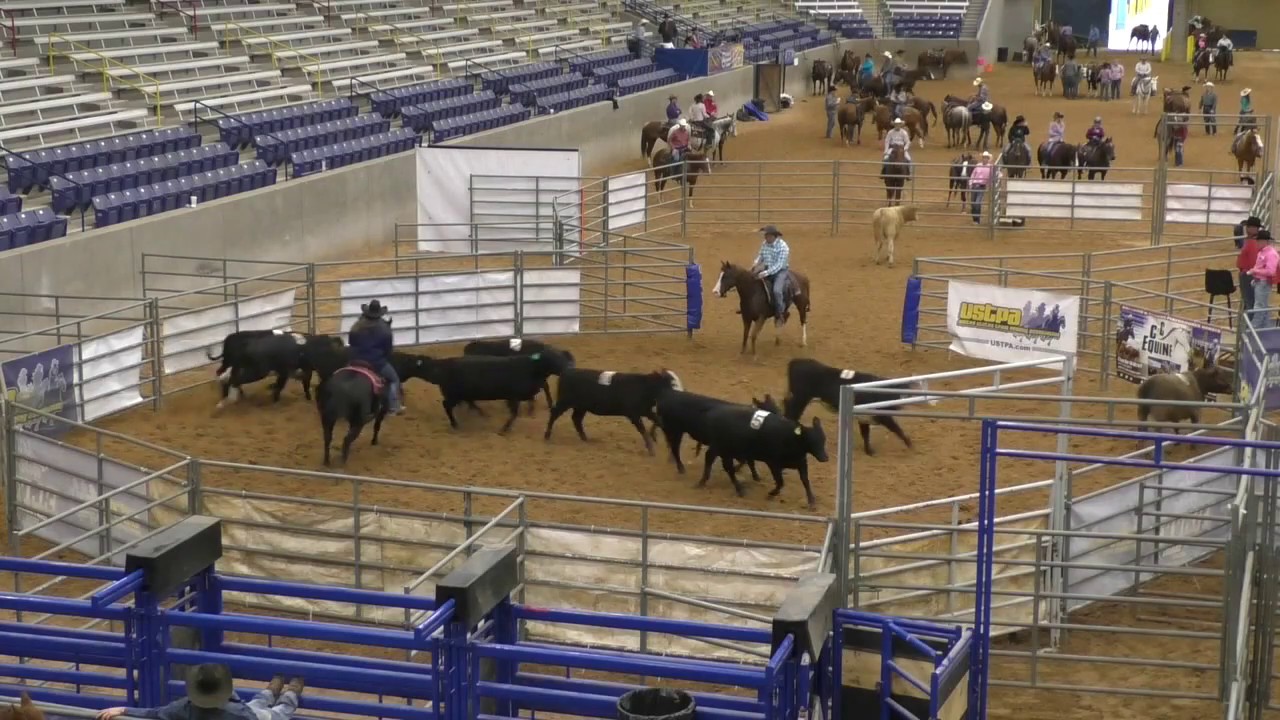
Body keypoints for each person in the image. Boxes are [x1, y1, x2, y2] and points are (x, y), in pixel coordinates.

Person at [97, 664, 305, 720]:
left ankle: (278, 689)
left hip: (242, 712)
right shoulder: (237, 712)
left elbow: (155, 713)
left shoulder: (184, 709)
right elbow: (247, 714)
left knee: (261, 706)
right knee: (278, 713)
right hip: (246, 715)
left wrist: (124, 710)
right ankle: (284, 690)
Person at [349, 299, 403, 415]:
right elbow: (388, 350)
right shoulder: (385, 330)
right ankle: (393, 407)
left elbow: (351, 342)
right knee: (394, 380)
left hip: (355, 359)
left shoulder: (356, 326)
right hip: (376, 362)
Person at [752, 225, 791, 326]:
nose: (765, 238)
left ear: (774, 236)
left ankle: (780, 313)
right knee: (751, 281)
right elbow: (761, 255)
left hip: (780, 272)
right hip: (767, 268)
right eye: (765, 236)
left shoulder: (783, 247)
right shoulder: (765, 243)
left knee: (777, 291)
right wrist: (756, 263)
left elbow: (779, 265)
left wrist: (765, 273)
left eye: (767, 236)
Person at [1248, 230, 1278, 330]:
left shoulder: (1271, 254)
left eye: (1259, 241)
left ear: (1264, 241)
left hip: (1263, 282)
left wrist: (1255, 271)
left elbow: (1270, 271)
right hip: (1260, 282)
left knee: (1259, 306)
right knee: (1262, 305)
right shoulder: (1264, 252)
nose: (1257, 243)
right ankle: (1265, 328)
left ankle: (1254, 328)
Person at [1236, 216, 1264, 313]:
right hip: (1249, 275)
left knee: (1250, 303)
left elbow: (1253, 262)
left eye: (1248, 227)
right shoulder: (1252, 241)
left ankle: (1249, 326)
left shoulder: (1252, 242)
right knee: (1251, 302)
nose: (1246, 229)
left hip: (1248, 275)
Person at [967, 151, 993, 224]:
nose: (985, 159)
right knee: (973, 203)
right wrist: (970, 183)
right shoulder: (978, 165)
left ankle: (977, 220)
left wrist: (989, 184)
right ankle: (975, 218)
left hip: (981, 187)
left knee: (977, 203)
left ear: (988, 159)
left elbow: (992, 177)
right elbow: (973, 174)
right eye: (984, 158)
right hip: (974, 186)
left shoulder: (990, 167)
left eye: (986, 158)